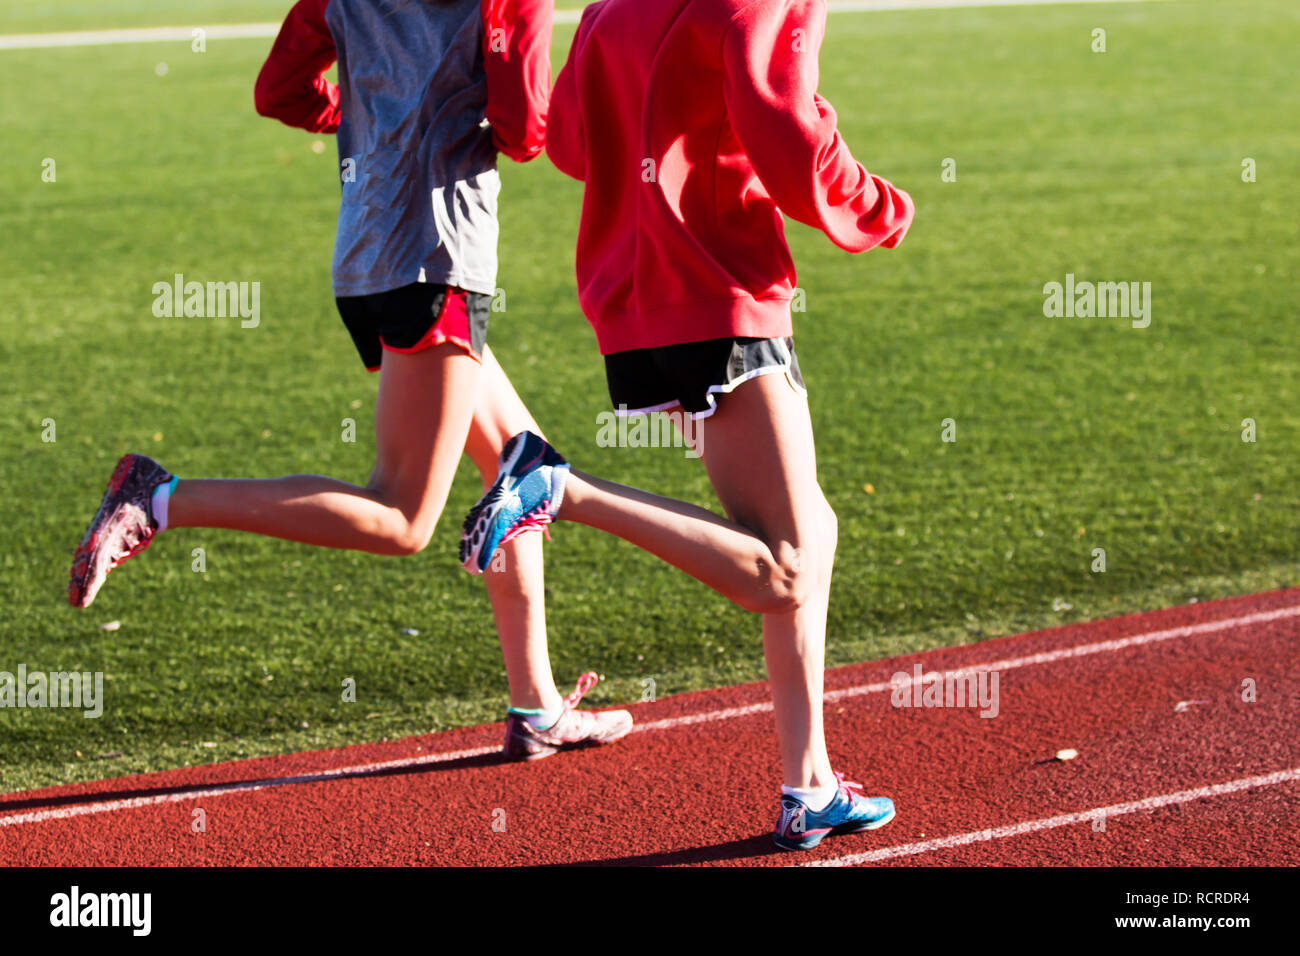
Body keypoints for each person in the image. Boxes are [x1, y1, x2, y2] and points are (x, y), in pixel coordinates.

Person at [66, 0, 631, 760]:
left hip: (366, 256)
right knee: (401, 517)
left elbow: (279, 91)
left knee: (520, 462)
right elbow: (526, 131)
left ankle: (536, 706)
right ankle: (159, 498)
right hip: (438, 258)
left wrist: (364, 121)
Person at [460, 0, 915, 848]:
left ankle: (809, 782)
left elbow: (569, 145)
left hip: (637, 304)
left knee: (811, 525)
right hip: (720, 294)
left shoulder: (611, 7)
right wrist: (876, 206)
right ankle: (559, 487)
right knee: (784, 568)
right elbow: (784, 133)